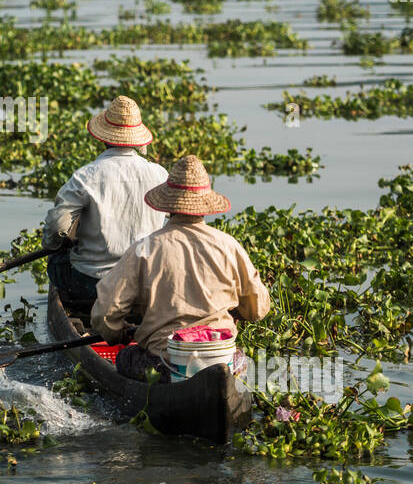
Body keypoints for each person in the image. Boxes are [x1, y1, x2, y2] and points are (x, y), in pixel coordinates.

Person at [90, 154, 271, 382]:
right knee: (240, 359)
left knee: (125, 357)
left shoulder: (144, 248)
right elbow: (258, 310)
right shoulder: (229, 245)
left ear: (167, 207)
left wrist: (118, 333)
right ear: (205, 206)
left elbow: (105, 313)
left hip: (164, 363)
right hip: (221, 360)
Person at [43, 95, 168, 304]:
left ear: (103, 137)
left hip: (92, 284)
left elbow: (57, 227)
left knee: (56, 261)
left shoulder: (86, 176)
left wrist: (55, 245)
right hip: (146, 283)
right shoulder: (160, 174)